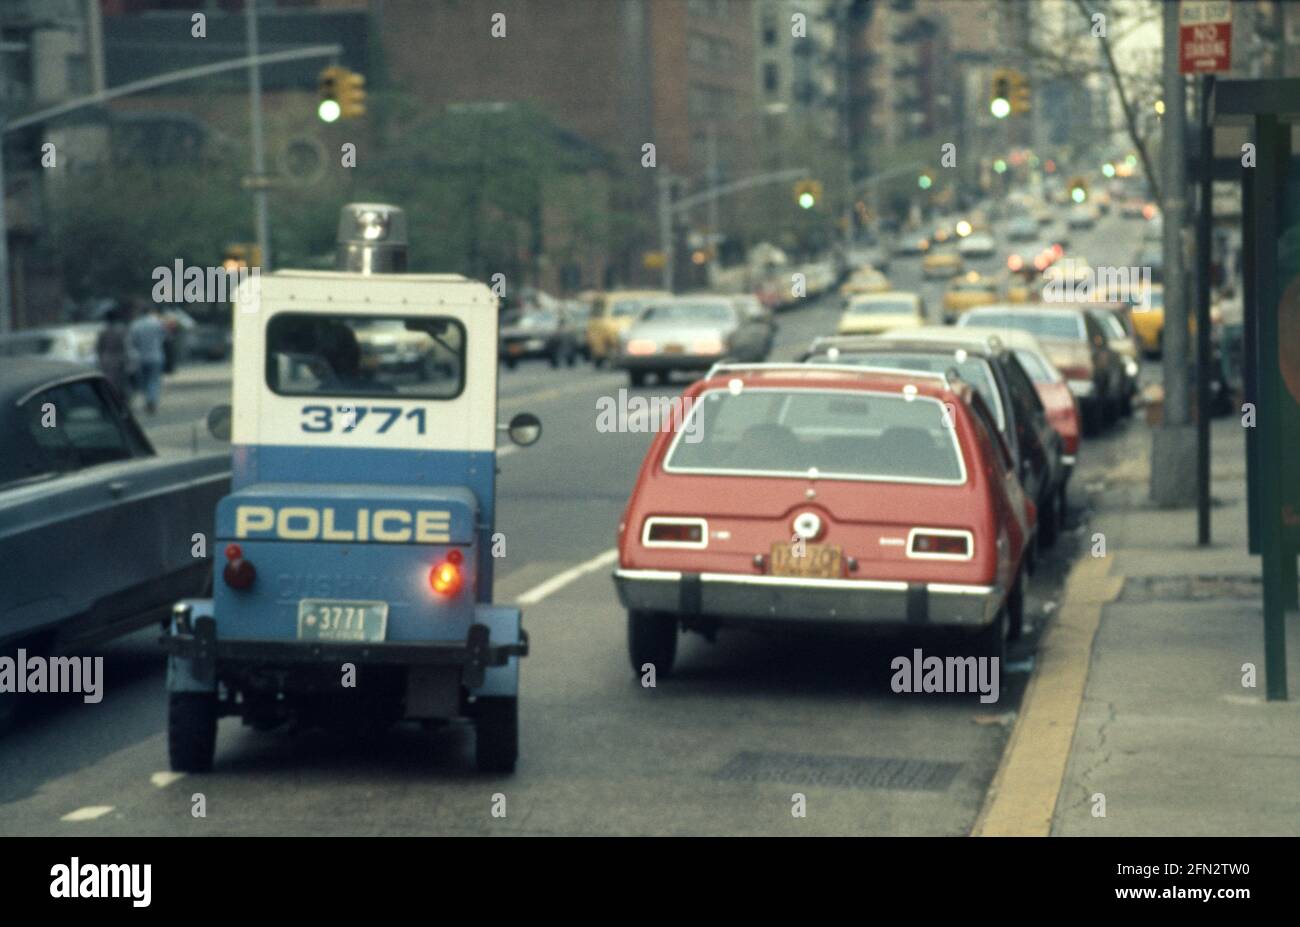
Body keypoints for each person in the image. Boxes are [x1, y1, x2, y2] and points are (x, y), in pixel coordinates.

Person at [128, 302, 167, 414]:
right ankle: (151, 400)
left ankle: (148, 399)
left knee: (144, 381)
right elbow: (165, 336)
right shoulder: (157, 323)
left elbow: (132, 341)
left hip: (140, 357)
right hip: (156, 356)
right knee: (154, 380)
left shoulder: (135, 325)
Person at [95, 306, 131, 400]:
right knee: (120, 383)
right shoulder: (121, 331)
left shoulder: (103, 332)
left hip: (106, 360)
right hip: (118, 360)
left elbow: (99, 348)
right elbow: (125, 347)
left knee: (109, 383)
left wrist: (100, 360)